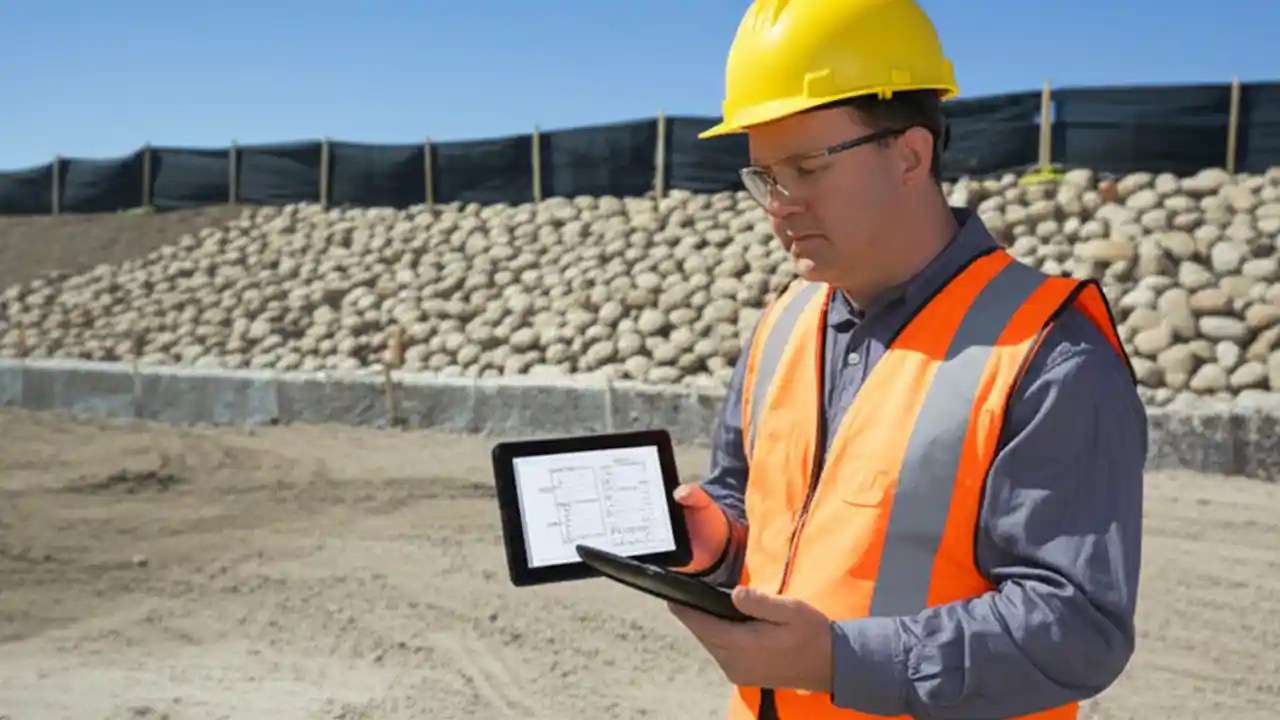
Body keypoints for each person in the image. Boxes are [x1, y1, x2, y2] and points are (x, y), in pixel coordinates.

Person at [665, 1, 1147, 719]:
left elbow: (1076, 628)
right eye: (765, 176)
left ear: (911, 156)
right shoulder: (784, 325)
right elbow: (754, 512)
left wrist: (839, 661)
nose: (781, 204)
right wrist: (717, 541)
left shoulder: (1047, 354)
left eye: (805, 166)